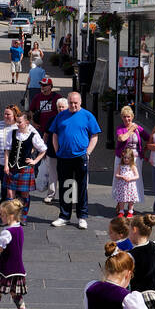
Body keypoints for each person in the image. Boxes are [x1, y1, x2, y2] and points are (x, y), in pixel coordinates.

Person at [50, 92, 102, 230]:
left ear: (80, 102)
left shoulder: (87, 116)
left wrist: (88, 152)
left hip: (80, 157)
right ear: (68, 102)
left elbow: (94, 136)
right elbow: (54, 134)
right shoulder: (61, 116)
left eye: (75, 103)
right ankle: (64, 216)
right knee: (66, 186)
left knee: (81, 187)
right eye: (71, 102)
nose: (73, 105)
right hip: (64, 157)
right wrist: (57, 151)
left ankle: (82, 216)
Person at [4, 110, 47, 207]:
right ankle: (11, 218)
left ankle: (23, 217)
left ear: (27, 122)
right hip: (11, 167)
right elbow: (7, 150)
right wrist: (6, 165)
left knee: (24, 195)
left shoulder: (33, 135)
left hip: (25, 168)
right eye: (17, 122)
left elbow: (43, 149)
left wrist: (35, 161)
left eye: (20, 122)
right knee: (10, 194)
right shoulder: (12, 133)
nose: (17, 124)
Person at [28, 77, 60, 202]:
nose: (42, 87)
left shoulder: (56, 98)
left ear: (50, 87)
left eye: (45, 85)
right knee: (40, 153)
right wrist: (33, 123)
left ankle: (49, 181)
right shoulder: (37, 97)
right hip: (41, 131)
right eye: (41, 85)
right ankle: (38, 178)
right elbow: (31, 111)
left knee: (51, 156)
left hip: (54, 131)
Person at [113, 106, 145, 209]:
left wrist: (146, 150)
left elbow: (148, 137)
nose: (127, 119)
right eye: (124, 117)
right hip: (122, 158)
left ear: (132, 116)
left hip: (135, 158)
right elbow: (122, 138)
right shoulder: (120, 128)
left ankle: (131, 206)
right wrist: (131, 129)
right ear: (122, 118)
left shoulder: (138, 128)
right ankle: (120, 202)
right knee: (119, 180)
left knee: (134, 181)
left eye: (129, 117)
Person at [112, 148, 142, 218]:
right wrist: (122, 177)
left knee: (131, 200)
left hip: (130, 186)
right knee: (121, 199)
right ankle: (121, 211)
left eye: (128, 158)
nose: (126, 159)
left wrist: (130, 178)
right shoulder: (120, 166)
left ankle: (130, 211)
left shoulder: (133, 166)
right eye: (125, 158)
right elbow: (116, 175)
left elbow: (137, 176)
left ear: (131, 158)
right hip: (122, 186)